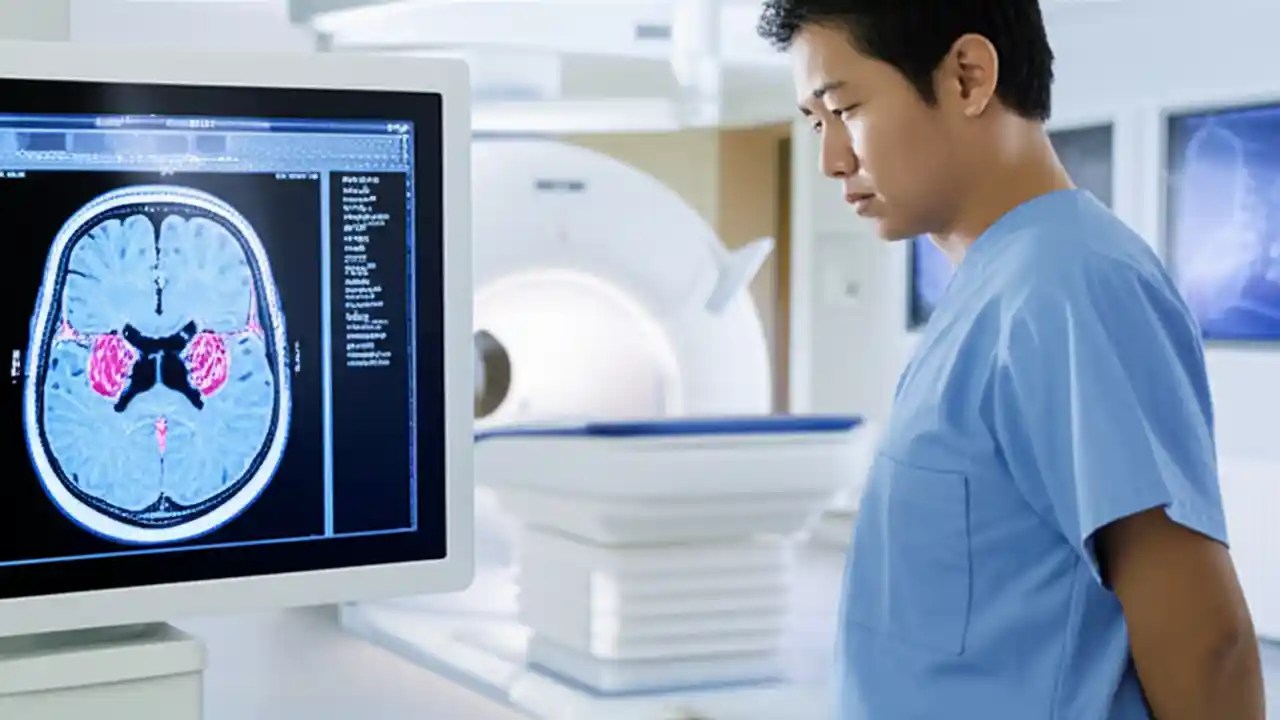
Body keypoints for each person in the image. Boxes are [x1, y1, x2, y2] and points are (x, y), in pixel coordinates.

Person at [756, 1, 1266, 718]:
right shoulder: (990, 290)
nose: (831, 158)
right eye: (815, 122)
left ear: (968, 76)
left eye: (845, 110)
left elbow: (1207, 646)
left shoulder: (1069, 286)